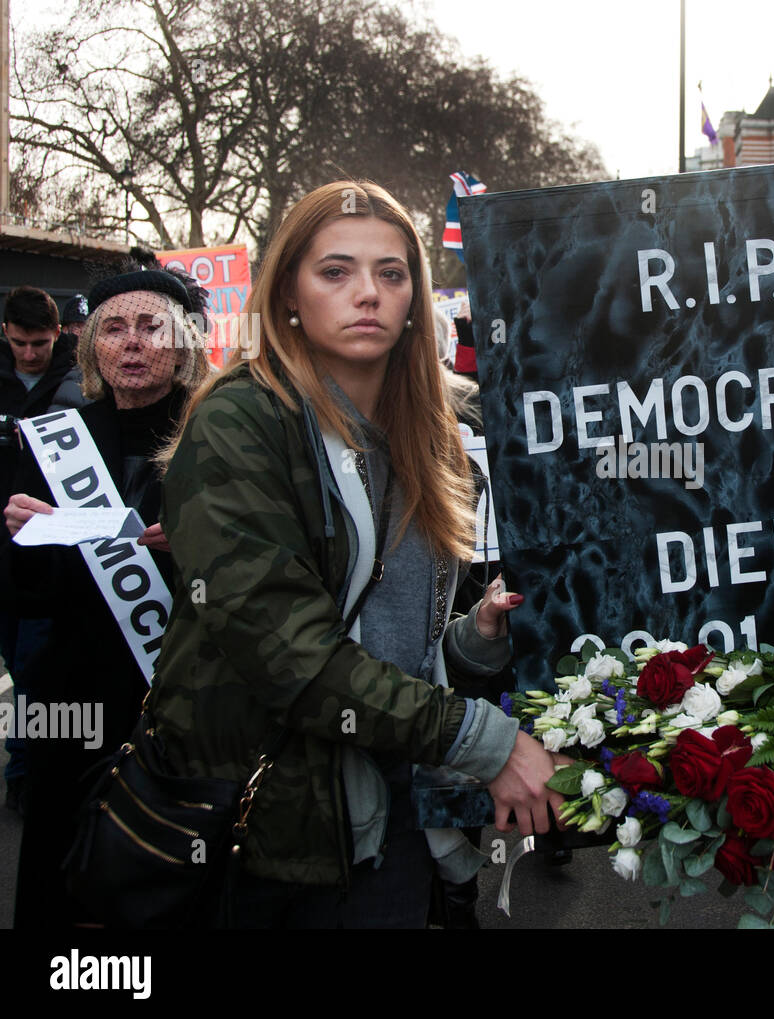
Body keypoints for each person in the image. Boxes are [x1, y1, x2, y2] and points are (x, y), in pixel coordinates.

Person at [146, 180, 566, 929]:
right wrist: (484, 740)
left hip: (394, 822)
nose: (367, 293)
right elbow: (290, 654)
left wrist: (473, 638)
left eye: (391, 273)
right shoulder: (241, 422)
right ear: (287, 298)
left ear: (414, 299)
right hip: (266, 833)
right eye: (335, 271)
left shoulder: (428, 437)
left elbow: (393, 638)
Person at [2, 265, 210, 927]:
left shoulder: (217, 435)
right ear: (91, 344)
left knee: (168, 872)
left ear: (182, 343)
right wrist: (23, 539)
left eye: (151, 327)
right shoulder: (56, 439)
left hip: (179, 691)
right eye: (113, 328)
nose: (132, 343)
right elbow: (25, 595)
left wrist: (195, 548)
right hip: (72, 695)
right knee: (61, 867)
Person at [1, 286, 88, 813]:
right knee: (17, 660)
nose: (29, 353)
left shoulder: (79, 383)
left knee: (32, 669)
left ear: (57, 335)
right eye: (18, 343)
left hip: (48, 550)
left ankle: (24, 769)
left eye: (38, 343)